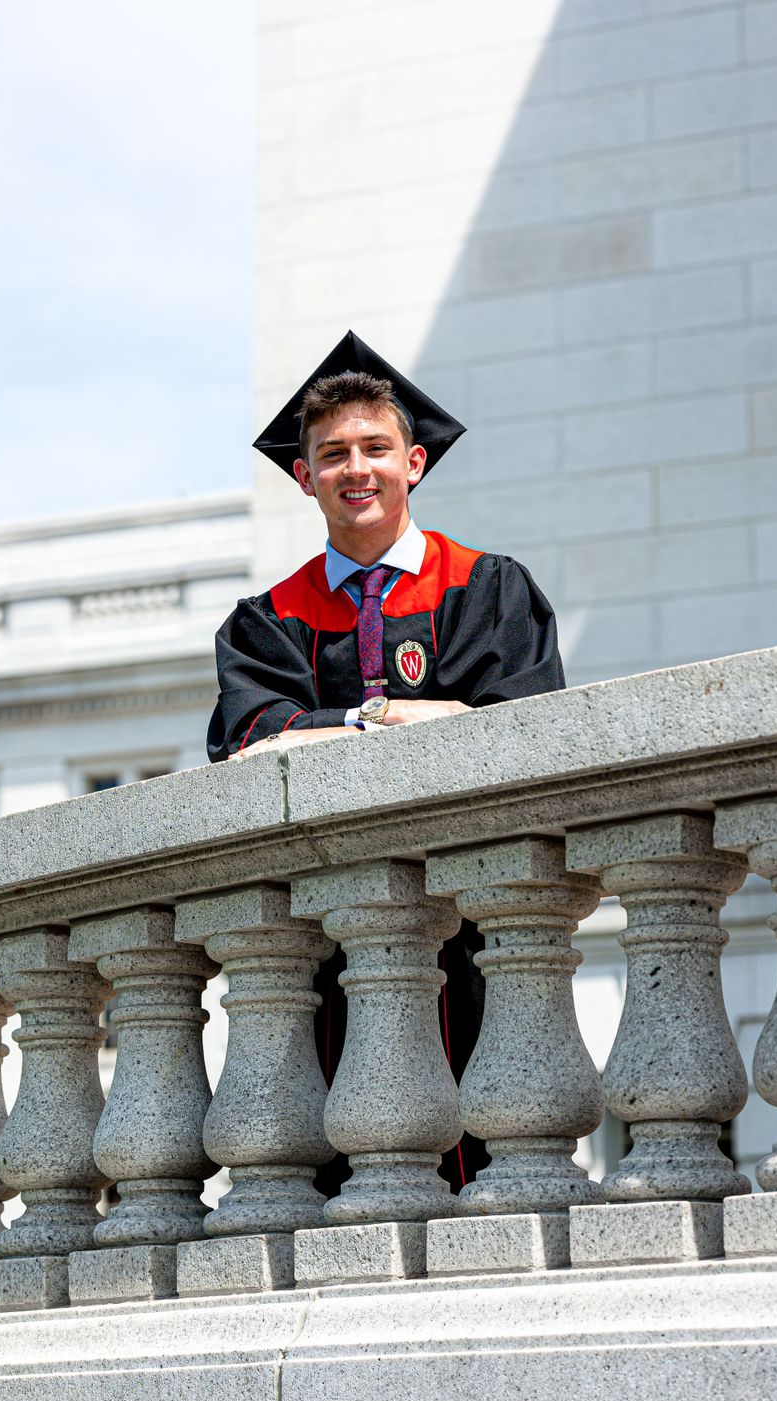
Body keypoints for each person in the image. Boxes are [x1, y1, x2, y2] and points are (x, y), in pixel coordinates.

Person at [207, 329, 565, 1193]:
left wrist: (327, 725)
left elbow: (525, 722)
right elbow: (252, 739)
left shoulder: (486, 586)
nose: (354, 468)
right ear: (305, 476)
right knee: (333, 1153)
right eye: (332, 454)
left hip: (476, 911)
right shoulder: (268, 618)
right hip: (326, 924)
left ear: (414, 462)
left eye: (374, 448)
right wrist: (392, 718)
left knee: (496, 1144)